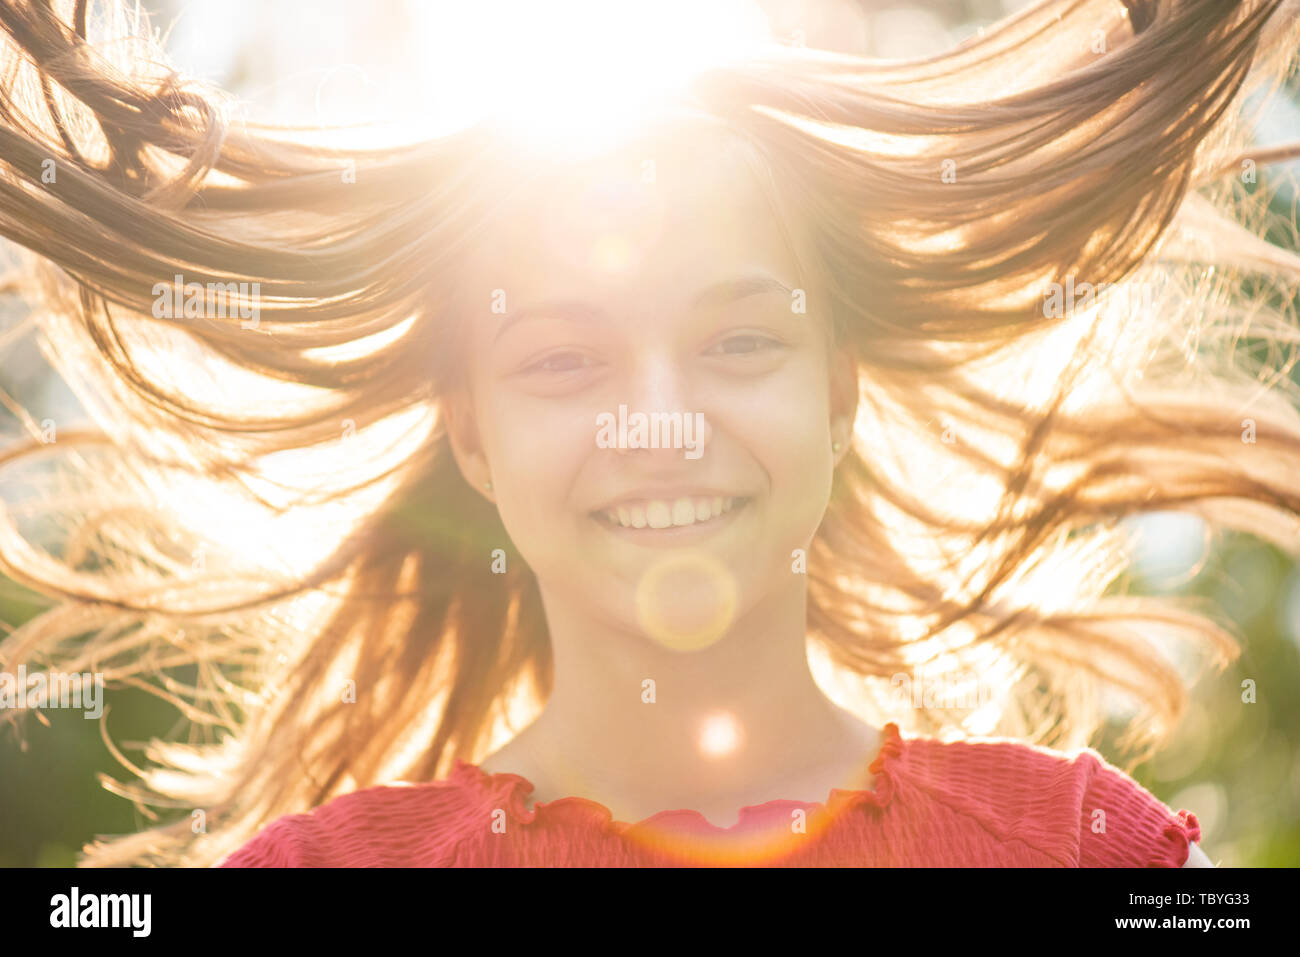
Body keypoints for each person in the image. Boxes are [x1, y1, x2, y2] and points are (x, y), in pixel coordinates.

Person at [0, 0, 1296, 867]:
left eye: (740, 341)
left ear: (837, 396)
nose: (661, 423)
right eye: (563, 359)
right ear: (475, 441)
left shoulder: (1088, 850)